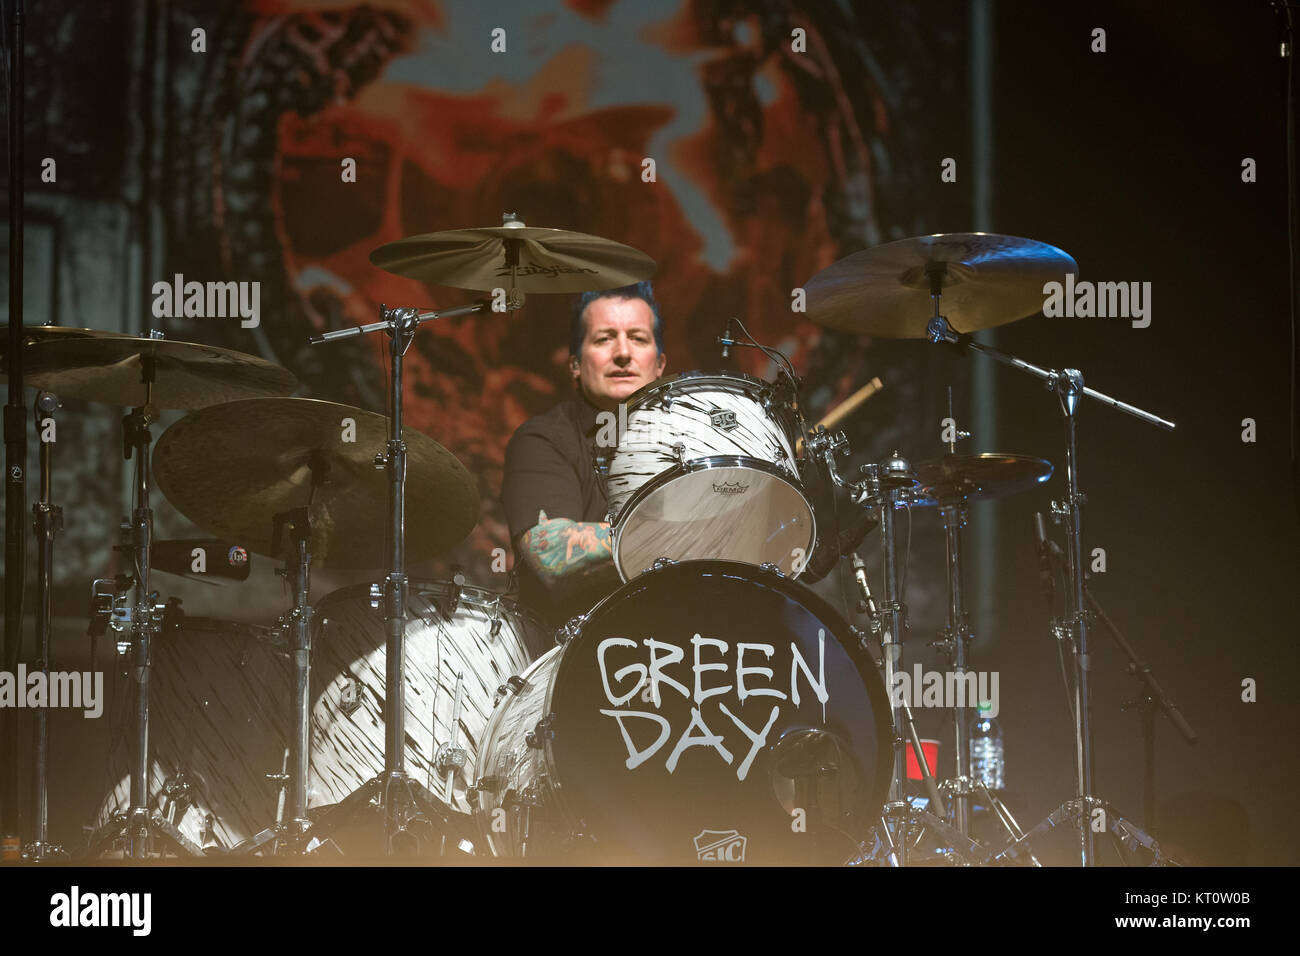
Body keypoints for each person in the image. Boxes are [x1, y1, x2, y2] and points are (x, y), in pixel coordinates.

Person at [501, 281, 667, 629]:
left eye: (638, 338)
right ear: (575, 364)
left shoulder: (694, 439)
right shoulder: (543, 438)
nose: (623, 352)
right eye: (604, 338)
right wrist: (690, 534)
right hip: (578, 659)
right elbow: (552, 555)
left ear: (660, 363)